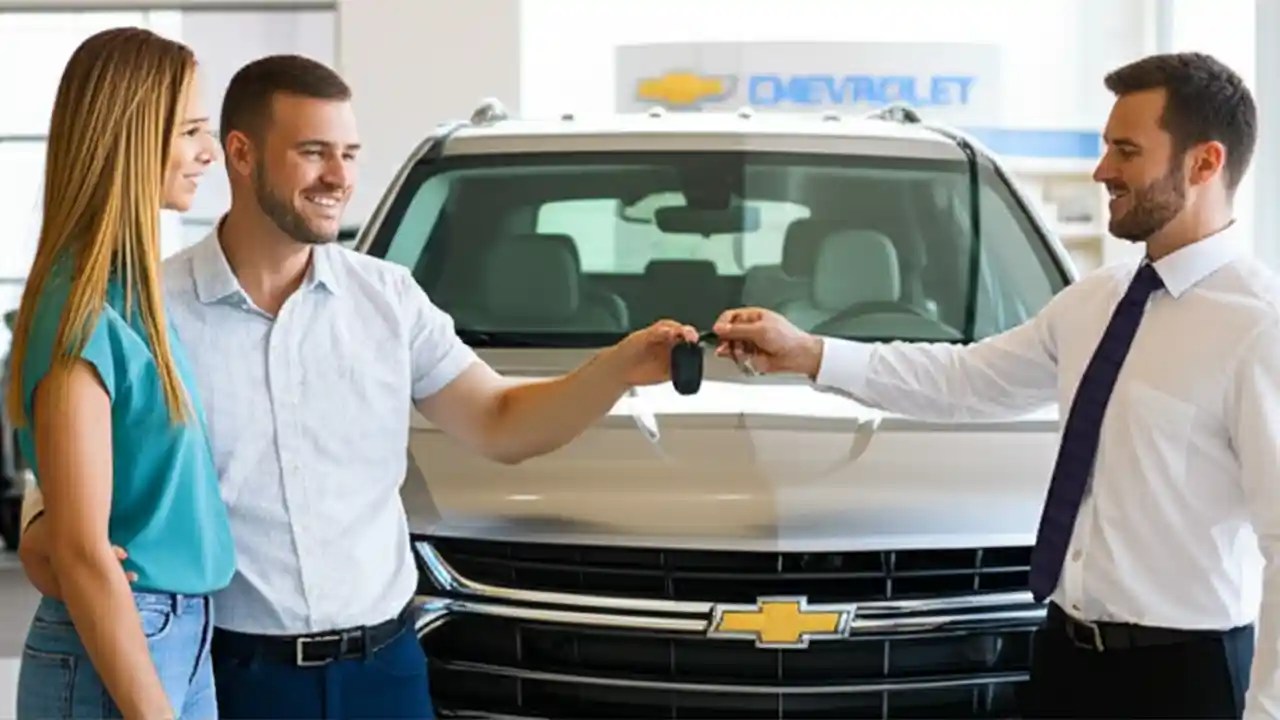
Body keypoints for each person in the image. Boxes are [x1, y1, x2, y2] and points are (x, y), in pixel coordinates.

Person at [18, 53, 698, 719]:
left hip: (384, 671)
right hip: (228, 671)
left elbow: (501, 420)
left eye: (350, 152)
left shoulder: (388, 299)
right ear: (242, 154)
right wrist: (46, 535)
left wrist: (617, 369)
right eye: (314, 151)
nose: (339, 177)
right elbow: (75, 493)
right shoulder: (150, 310)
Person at [712, 52, 1274, 719]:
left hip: (1185, 679)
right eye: (1104, 149)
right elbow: (963, 381)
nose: (1102, 171)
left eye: (1126, 151)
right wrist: (809, 353)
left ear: (1204, 163)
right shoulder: (1094, 302)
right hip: (1064, 658)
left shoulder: (1259, 329)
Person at [6, 26, 233, 720]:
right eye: (191, 129)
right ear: (135, 137)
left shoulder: (132, 295)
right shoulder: (83, 308)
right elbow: (79, 553)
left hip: (177, 633)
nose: (211, 151)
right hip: (126, 638)